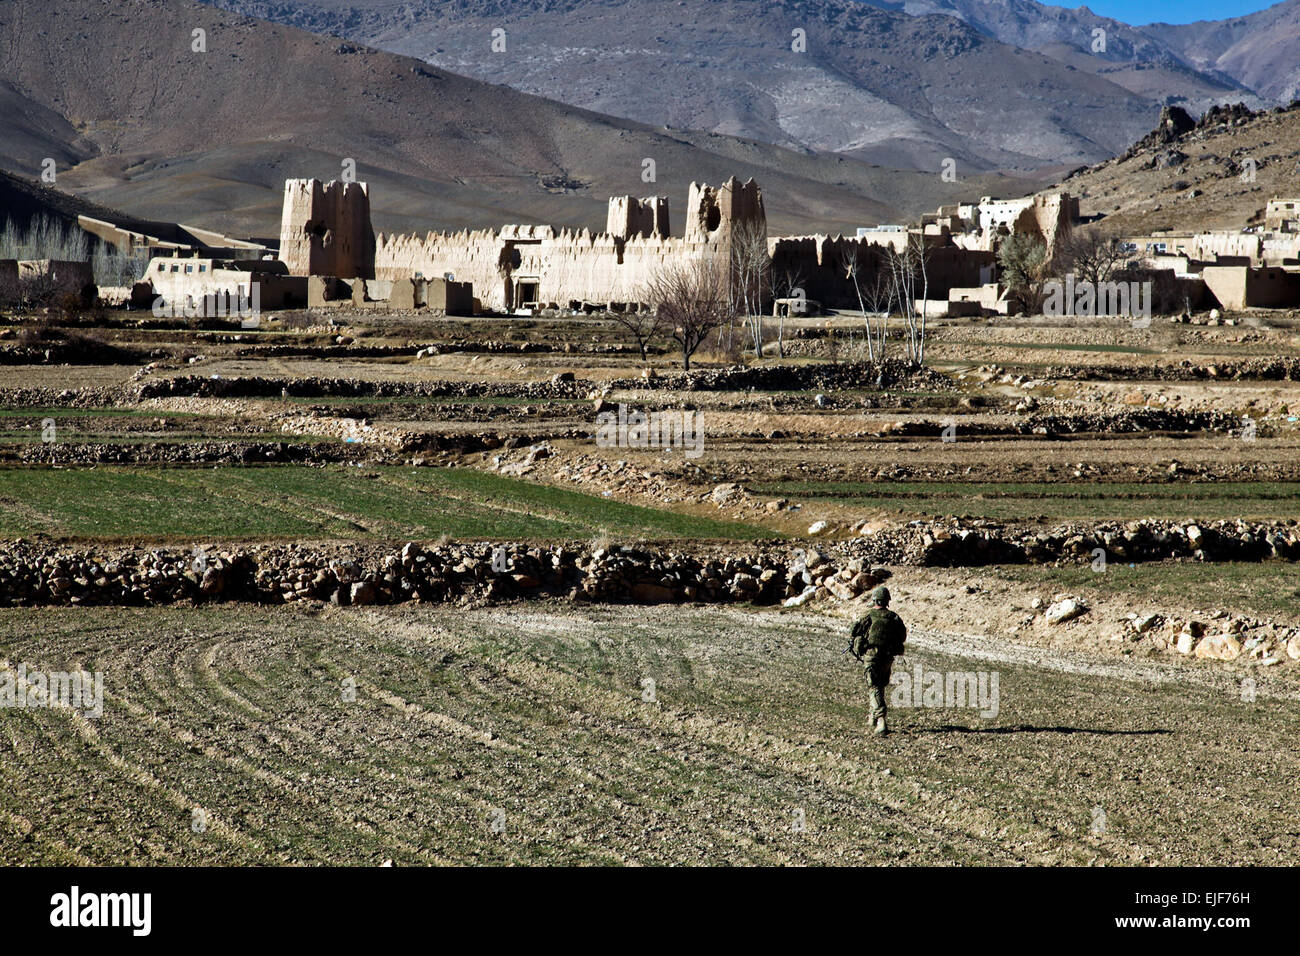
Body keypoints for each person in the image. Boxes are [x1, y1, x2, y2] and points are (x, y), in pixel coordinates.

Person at [850, 585, 907, 736]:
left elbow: (853, 631)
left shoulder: (867, 615)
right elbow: (902, 636)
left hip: (872, 655)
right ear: (887, 600)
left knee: (873, 686)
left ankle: (881, 721)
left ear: (874, 599)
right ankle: (872, 717)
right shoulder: (894, 617)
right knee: (880, 685)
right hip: (887, 656)